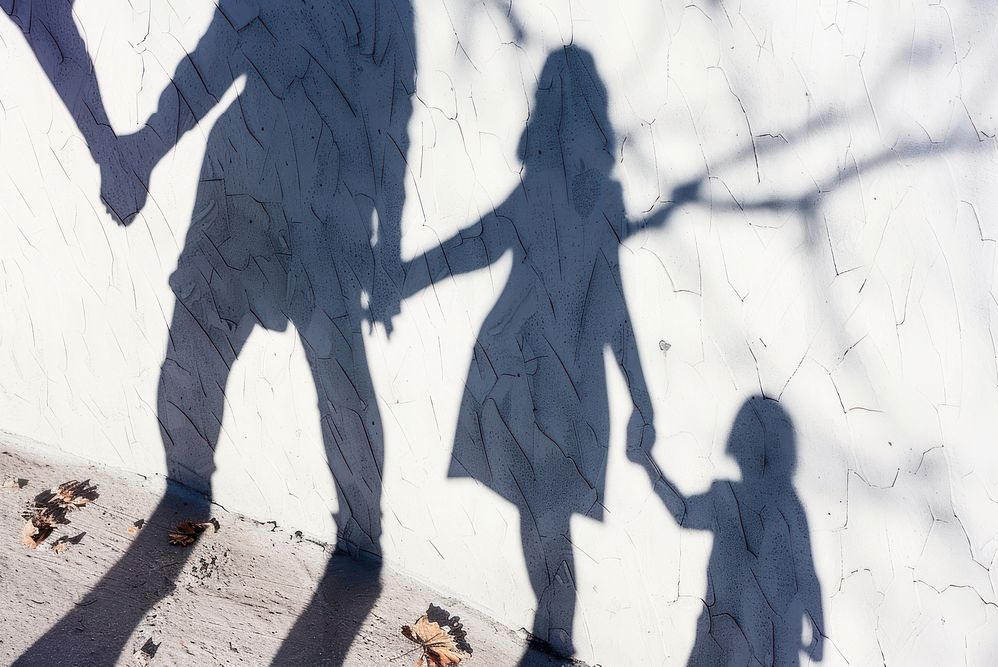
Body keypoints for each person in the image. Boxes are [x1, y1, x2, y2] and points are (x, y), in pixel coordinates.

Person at [4, 1, 414, 663]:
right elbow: (210, 63)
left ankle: (356, 543)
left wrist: (127, 155)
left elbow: (389, 100)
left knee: (328, 366)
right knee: (214, 354)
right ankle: (311, 534)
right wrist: (131, 154)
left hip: (310, 188)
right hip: (258, 183)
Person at [386, 45, 670, 662]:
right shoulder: (583, 198)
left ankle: (552, 639)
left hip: (539, 378)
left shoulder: (569, 196)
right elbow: (483, 247)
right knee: (546, 520)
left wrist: (404, 279)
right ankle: (552, 639)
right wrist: (405, 279)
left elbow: (481, 248)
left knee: (546, 522)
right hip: (541, 378)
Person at [633, 396, 825, 666]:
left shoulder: (748, 500)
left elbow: (684, 514)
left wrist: (647, 464)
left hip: (733, 639)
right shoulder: (779, 504)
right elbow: (808, 574)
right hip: (739, 638)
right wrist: (818, 631)